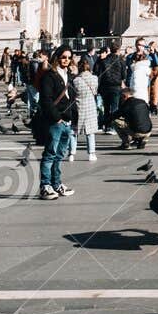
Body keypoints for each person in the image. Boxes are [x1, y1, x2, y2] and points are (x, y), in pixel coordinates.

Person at [37, 45, 75, 199]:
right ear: (57, 57)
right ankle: (45, 186)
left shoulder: (68, 75)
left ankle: (56, 184)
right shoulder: (49, 76)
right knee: (50, 154)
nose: (66, 60)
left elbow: (71, 99)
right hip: (55, 121)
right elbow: (45, 100)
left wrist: (73, 119)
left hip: (67, 121)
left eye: (69, 57)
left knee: (59, 155)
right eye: (64, 57)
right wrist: (57, 118)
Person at [72, 53, 100, 163]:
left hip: (78, 105)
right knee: (90, 131)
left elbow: (73, 93)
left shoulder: (75, 80)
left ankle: (71, 153)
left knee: (74, 131)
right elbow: (95, 91)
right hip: (90, 106)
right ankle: (91, 153)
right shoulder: (95, 78)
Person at [111, 85, 153, 150]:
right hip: (148, 130)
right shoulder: (142, 101)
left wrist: (105, 121)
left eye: (121, 97)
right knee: (140, 119)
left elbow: (115, 115)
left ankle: (126, 143)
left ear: (125, 96)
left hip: (136, 131)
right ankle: (143, 139)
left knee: (115, 122)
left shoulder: (127, 104)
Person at [97, 43, 125, 131]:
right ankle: (113, 127)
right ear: (118, 50)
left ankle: (107, 125)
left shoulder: (104, 61)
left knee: (106, 107)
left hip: (105, 86)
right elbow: (123, 75)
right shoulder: (120, 61)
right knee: (114, 107)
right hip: (116, 86)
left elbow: (99, 74)